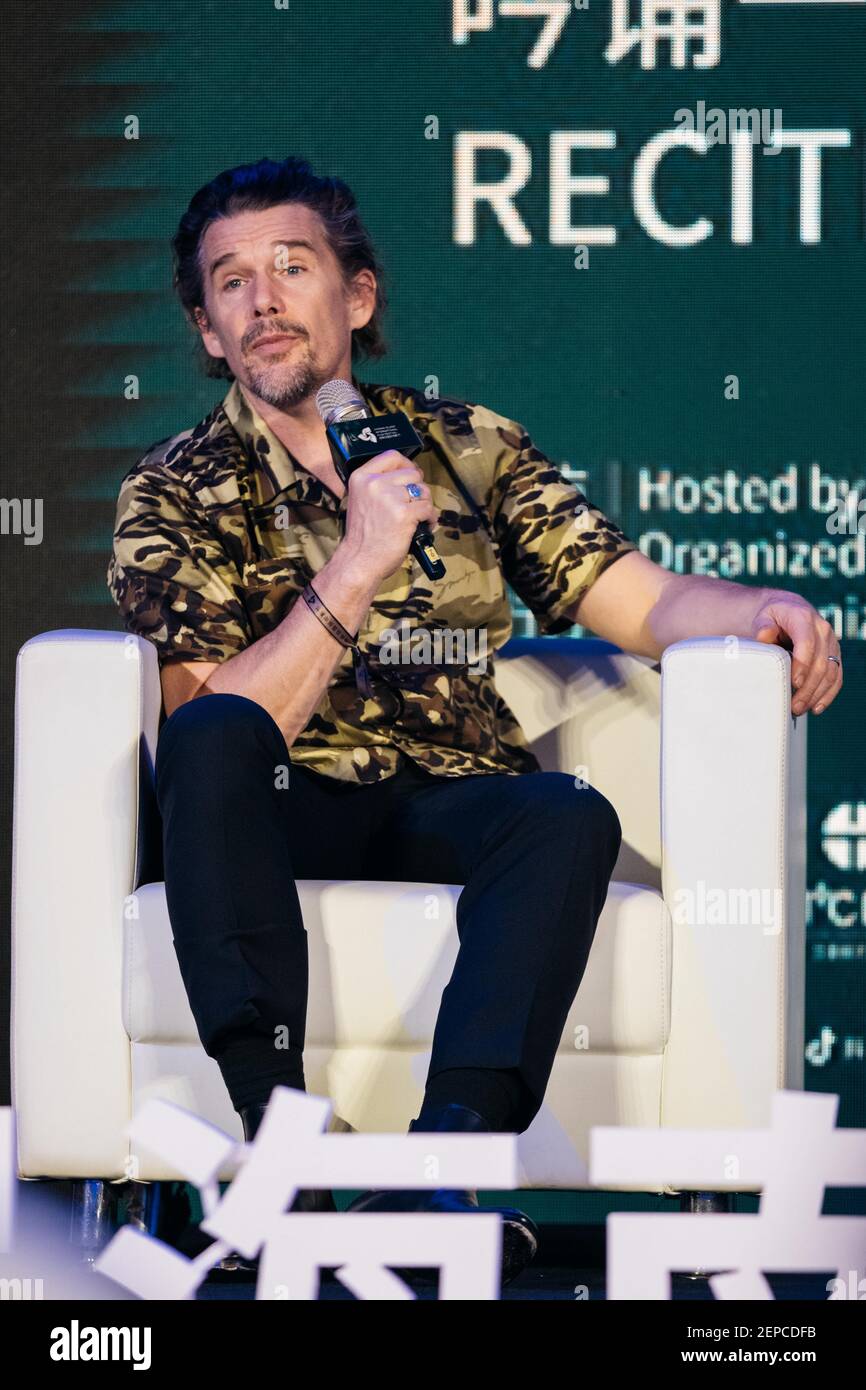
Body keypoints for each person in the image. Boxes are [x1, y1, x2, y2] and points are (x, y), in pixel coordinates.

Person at [106, 156, 843, 1286]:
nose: (261, 298)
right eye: (230, 280)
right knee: (209, 740)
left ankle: (439, 1166)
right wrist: (355, 566)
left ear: (355, 298)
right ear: (206, 329)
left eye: (291, 266)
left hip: (441, 792)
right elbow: (207, 713)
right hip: (279, 805)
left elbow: (630, 594)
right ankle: (279, 1142)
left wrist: (758, 606)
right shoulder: (172, 486)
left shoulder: (466, 444)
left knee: (560, 814)